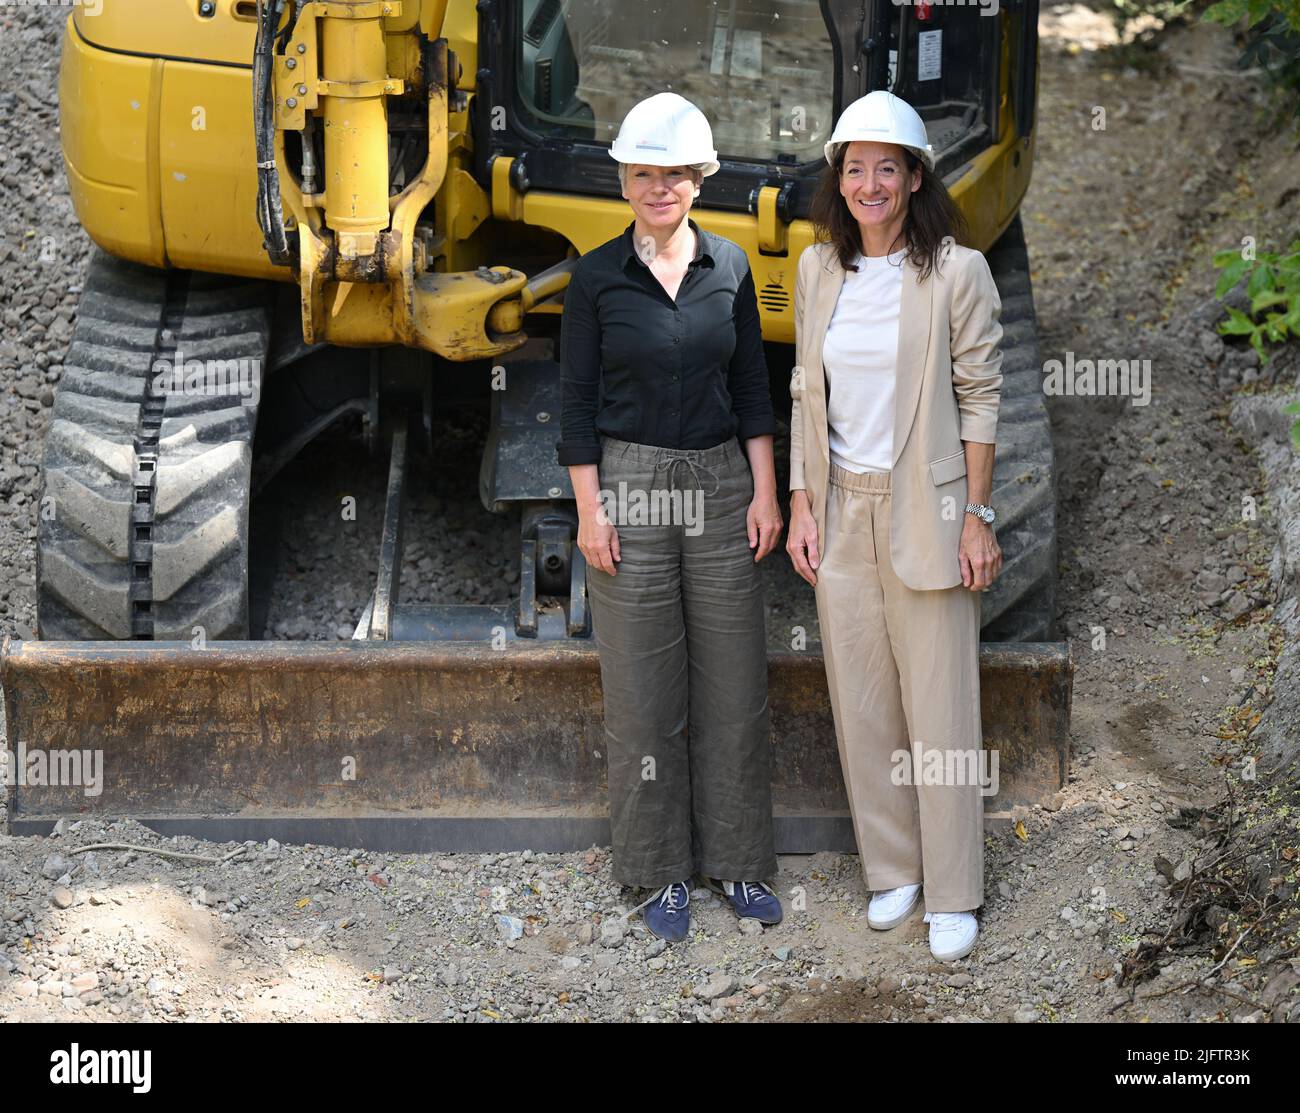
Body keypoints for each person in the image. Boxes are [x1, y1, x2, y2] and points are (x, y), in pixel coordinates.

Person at [557, 92, 784, 942]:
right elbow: (575, 405)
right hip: (631, 483)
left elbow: (755, 390)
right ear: (625, 181)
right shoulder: (596, 279)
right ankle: (658, 874)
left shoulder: (730, 268)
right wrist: (590, 510)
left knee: (733, 680)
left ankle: (737, 860)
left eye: (676, 174)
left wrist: (764, 489)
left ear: (699, 181)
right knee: (644, 689)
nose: (660, 188)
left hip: (724, 482)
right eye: (645, 173)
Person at [785, 90, 1004, 961]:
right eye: (854, 167)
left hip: (931, 507)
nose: (869, 182)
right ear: (838, 180)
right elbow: (806, 393)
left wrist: (978, 516)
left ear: (915, 177)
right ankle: (895, 868)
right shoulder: (817, 271)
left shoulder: (957, 271)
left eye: (887, 166)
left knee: (941, 708)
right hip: (843, 504)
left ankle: (955, 891)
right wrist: (804, 501)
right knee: (864, 700)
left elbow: (983, 397)